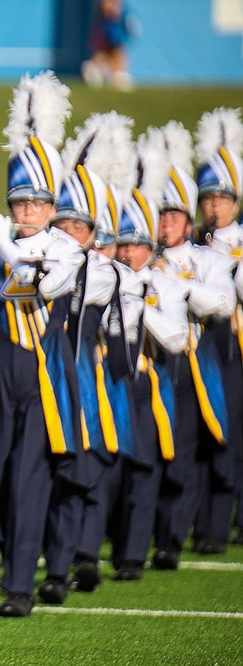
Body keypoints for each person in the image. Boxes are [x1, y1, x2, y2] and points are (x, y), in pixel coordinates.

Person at [0, 71, 86, 619]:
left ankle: (19, 585)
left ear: (52, 205)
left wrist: (1, 246)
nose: (27, 211)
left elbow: (43, 285)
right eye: (19, 202)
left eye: (37, 202)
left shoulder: (67, 248)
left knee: (29, 480)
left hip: (43, 379)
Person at [73, 126, 186, 585]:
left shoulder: (165, 283)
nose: (127, 252)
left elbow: (176, 338)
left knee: (143, 470)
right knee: (102, 467)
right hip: (104, 379)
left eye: (136, 244)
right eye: (121, 244)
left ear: (149, 246)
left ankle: (132, 556)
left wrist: (140, 306)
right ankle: (85, 553)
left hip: (147, 384)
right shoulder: (103, 277)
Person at [42, 113, 133, 599]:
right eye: (63, 223)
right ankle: (58, 562)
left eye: (79, 226)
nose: (69, 232)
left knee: (85, 471)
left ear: (92, 233)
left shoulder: (102, 272)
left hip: (84, 382)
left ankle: (75, 561)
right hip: (40, 379)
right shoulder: (41, 256)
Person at [150, 130, 236, 571]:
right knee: (156, 451)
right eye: (160, 216)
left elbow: (221, 302)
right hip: (149, 363)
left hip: (196, 363)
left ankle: (180, 536)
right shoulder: (140, 257)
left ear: (187, 222)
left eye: (174, 216)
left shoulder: (208, 260)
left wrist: (175, 283)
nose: (166, 224)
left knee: (196, 448)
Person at [191, 108, 243, 554]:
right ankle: (202, 524)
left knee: (234, 434)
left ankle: (227, 521)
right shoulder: (191, 241)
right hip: (200, 345)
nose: (214, 206)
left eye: (223, 198)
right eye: (208, 198)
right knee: (205, 431)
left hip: (236, 346)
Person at [82, 0, 136, 91]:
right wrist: (115, 10)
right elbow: (108, 8)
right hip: (110, 26)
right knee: (114, 50)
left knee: (112, 51)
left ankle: (98, 69)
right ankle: (114, 74)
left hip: (111, 26)